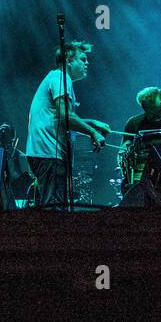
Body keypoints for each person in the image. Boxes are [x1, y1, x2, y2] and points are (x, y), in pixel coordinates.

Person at [25, 41, 111, 209]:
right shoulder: (61, 78)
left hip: (43, 152)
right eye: (83, 59)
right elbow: (66, 116)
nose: (87, 63)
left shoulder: (55, 77)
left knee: (54, 204)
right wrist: (93, 132)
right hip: (49, 152)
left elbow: (57, 119)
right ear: (68, 60)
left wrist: (91, 124)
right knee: (54, 207)